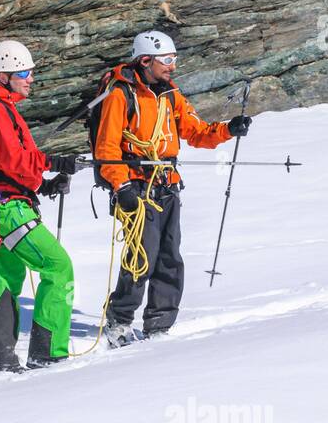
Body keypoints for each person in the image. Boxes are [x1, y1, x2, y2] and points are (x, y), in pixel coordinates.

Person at [95, 30, 251, 346]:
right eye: (167, 60)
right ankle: (119, 320)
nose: (172, 66)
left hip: (167, 185)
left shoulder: (170, 94)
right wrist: (121, 186)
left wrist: (228, 130)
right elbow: (106, 148)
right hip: (137, 188)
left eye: (174, 59)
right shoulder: (120, 95)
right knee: (143, 257)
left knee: (169, 256)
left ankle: (159, 324)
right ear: (145, 60)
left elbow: (196, 133)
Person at [0, 40, 79, 372]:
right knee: (59, 268)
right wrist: (52, 160)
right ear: (3, 76)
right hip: (6, 210)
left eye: (31, 72)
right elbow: (13, 159)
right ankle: (47, 354)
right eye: (24, 73)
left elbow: (7, 166)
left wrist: (43, 184)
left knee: (4, 278)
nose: (31, 79)